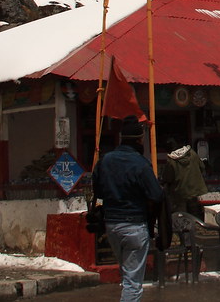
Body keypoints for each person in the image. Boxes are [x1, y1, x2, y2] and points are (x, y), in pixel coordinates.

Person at [93, 116, 163, 302]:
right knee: (133, 281)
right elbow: (156, 195)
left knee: (126, 274)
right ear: (140, 140)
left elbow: (98, 190)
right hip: (135, 226)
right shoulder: (141, 164)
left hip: (112, 225)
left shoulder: (105, 161)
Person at [162, 139, 209, 220]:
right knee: (196, 216)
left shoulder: (171, 161)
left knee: (182, 218)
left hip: (179, 194)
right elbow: (202, 167)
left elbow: (167, 178)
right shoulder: (192, 154)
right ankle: (197, 231)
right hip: (194, 191)